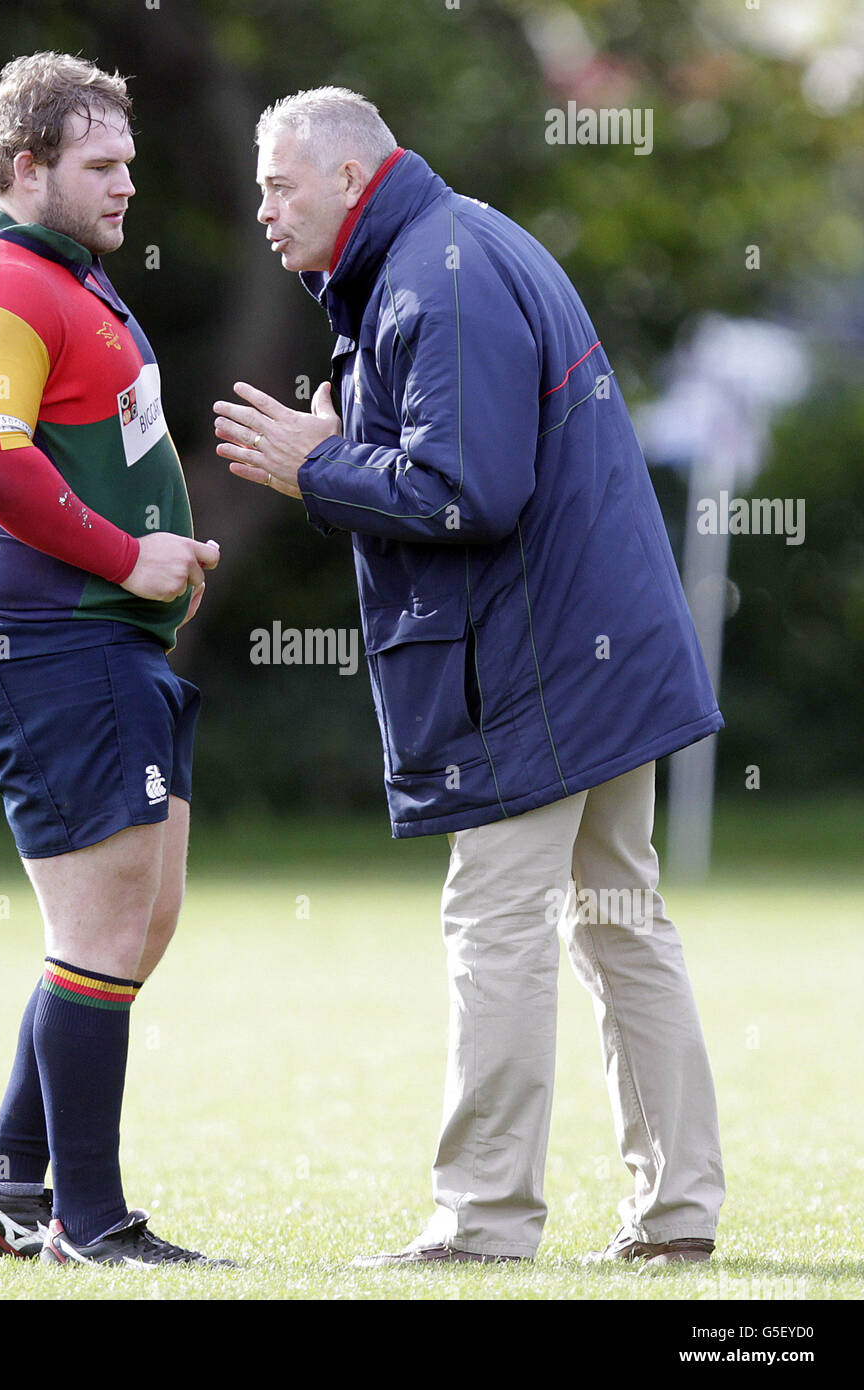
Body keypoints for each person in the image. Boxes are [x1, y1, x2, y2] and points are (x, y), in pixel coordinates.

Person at [214, 87, 725, 1268]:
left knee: (496, 923)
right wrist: (352, 453)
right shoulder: (455, 243)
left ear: (351, 178)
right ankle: (675, 1211)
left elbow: (467, 493)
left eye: (278, 186)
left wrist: (323, 465)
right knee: (619, 920)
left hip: (537, 668)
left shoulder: (431, 274)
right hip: (593, 655)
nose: (260, 211)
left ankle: (485, 1219)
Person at [0, 52, 229, 1267]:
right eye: (100, 166)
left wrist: (160, 565)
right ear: (24, 167)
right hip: (44, 644)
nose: (125, 187)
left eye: (130, 164)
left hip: (104, 644)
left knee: (137, 926)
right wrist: (128, 559)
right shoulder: (1, 276)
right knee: (102, 934)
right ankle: (89, 1223)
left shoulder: (77, 279)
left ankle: (7, 1181)